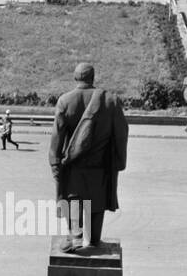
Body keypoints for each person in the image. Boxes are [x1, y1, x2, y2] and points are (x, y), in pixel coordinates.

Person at [50, 62, 129, 252]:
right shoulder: (110, 101)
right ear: (93, 78)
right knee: (97, 203)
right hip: (100, 168)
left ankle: (74, 236)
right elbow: (121, 133)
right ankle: (94, 241)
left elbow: (57, 137)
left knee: (74, 201)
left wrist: (54, 163)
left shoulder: (65, 101)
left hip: (73, 167)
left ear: (75, 78)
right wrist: (119, 161)